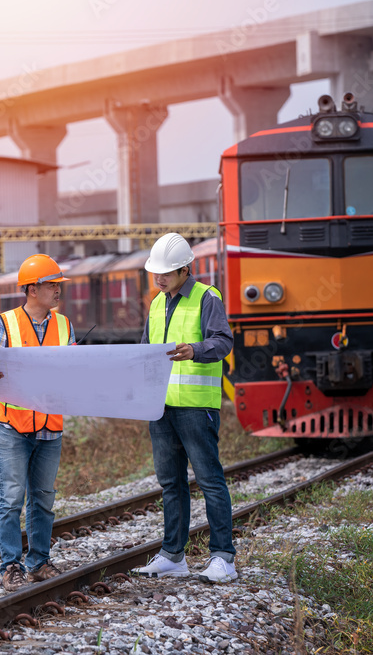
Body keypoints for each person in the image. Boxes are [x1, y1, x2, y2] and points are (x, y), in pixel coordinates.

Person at [131, 232, 237, 583]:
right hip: (161, 409)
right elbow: (147, 350)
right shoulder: (157, 304)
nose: (159, 279)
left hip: (195, 407)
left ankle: (223, 557)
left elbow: (223, 342)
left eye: (166, 273)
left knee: (209, 480)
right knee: (170, 483)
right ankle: (173, 555)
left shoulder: (207, 297)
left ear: (185, 270)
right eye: (155, 273)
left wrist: (194, 349)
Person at [0, 254, 75, 591]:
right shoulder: (4, 323)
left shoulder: (64, 325)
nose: (57, 290)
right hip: (13, 426)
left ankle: (38, 562)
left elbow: (74, 367)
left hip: (50, 427)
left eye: (58, 285)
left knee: (44, 497)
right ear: (32, 289)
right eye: (52, 285)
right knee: (11, 498)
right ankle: (10, 567)